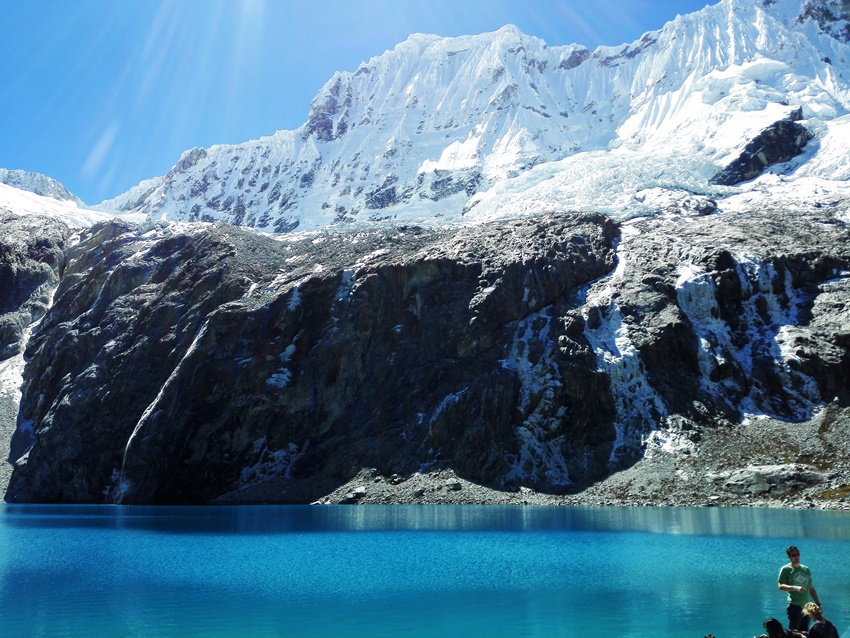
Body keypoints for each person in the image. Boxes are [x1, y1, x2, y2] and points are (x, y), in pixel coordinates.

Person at [778, 545, 821, 632]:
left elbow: (811, 588)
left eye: (797, 554)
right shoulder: (786, 569)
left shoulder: (805, 569)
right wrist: (795, 588)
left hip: (807, 606)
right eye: (793, 555)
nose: (796, 557)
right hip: (794, 607)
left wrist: (818, 604)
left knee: (805, 632)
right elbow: (780, 586)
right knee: (794, 632)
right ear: (789, 556)